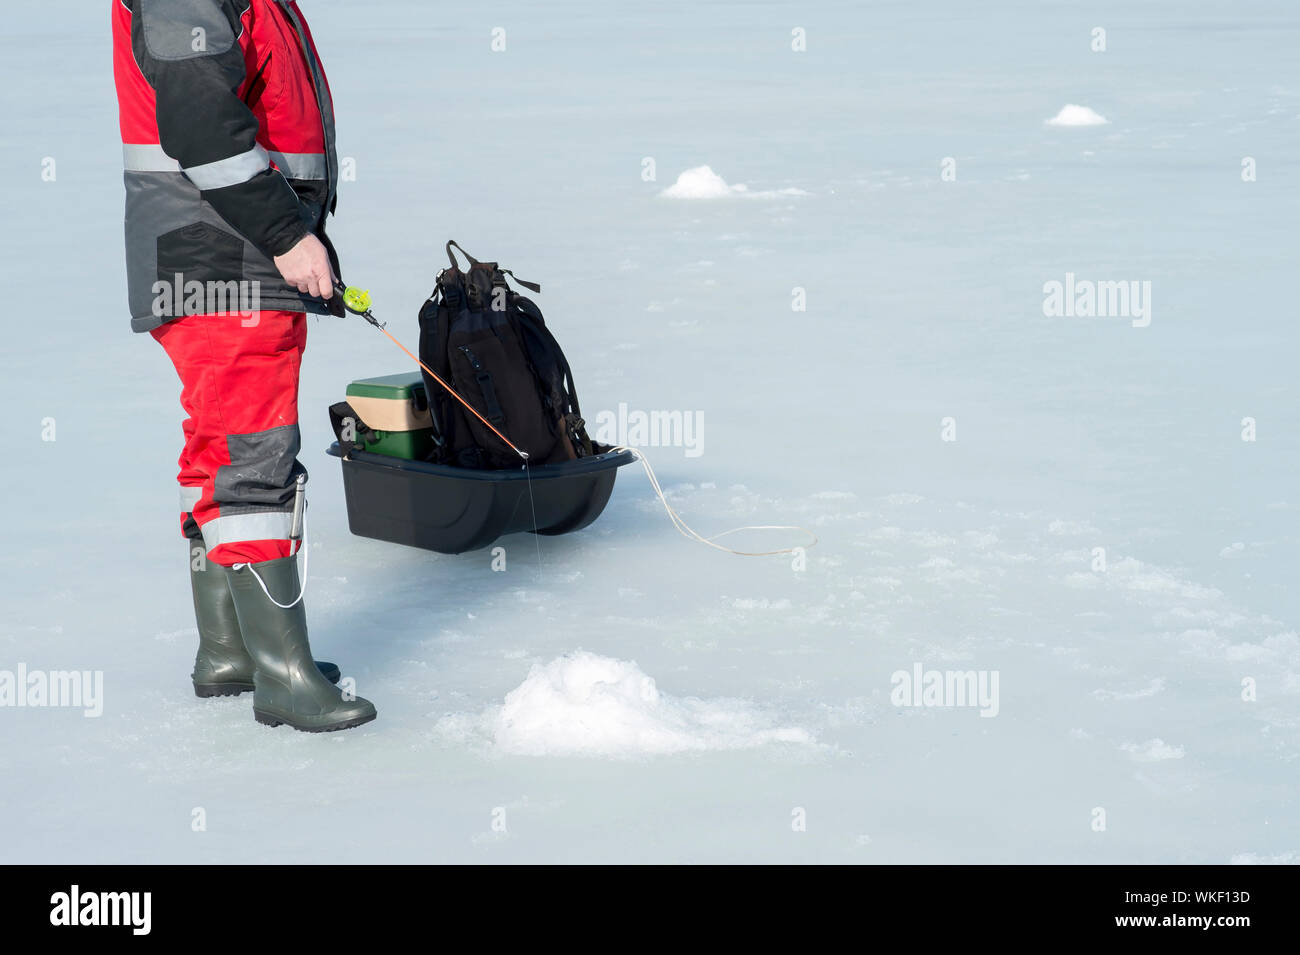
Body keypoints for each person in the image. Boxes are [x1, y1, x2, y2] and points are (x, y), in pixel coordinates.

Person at [112, 0, 376, 732]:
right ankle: (285, 677)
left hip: (226, 248)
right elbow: (202, 126)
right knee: (255, 458)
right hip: (220, 251)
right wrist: (288, 236)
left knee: (221, 444)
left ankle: (231, 650)